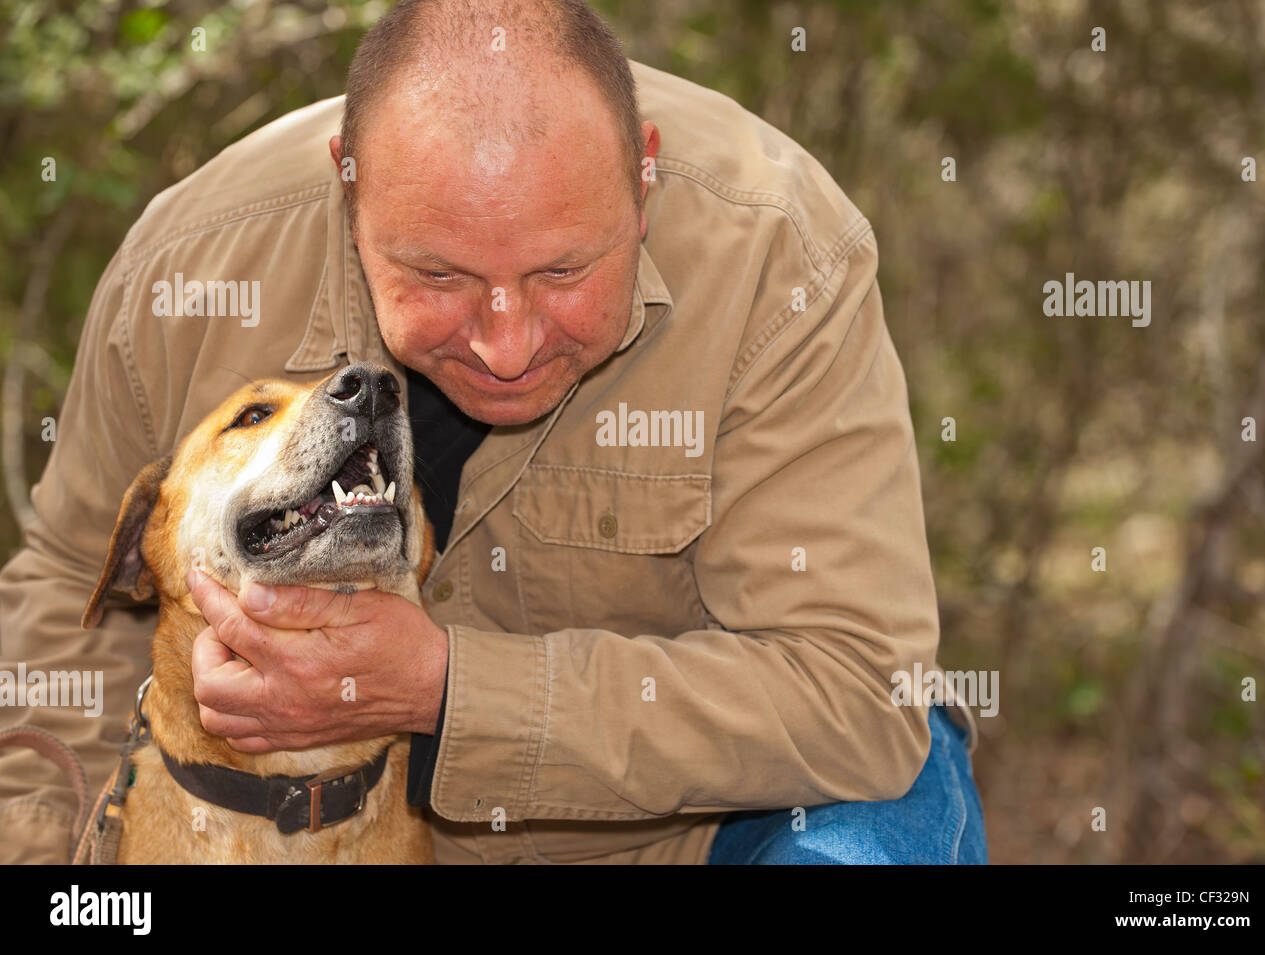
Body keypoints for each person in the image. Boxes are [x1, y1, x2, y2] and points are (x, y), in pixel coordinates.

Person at [0, 0, 986, 864]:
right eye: (438, 276)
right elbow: (68, 586)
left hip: (711, 829)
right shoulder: (190, 271)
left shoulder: (779, 252)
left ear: (645, 177)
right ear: (348, 184)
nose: (507, 345)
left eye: (563, 273)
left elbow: (857, 691)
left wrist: (442, 690)